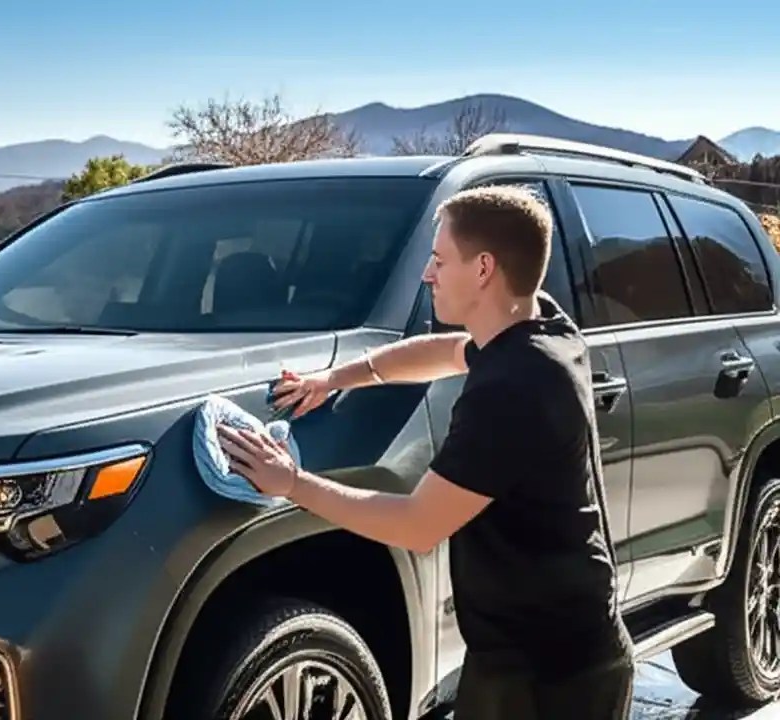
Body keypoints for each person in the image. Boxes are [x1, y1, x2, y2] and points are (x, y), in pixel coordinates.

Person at [216, 184, 635, 719]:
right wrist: (338, 377)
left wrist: (292, 483)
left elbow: (418, 524)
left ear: (483, 268)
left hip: (553, 677)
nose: (427, 274)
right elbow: (446, 352)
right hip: (534, 655)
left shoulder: (515, 386)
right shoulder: (542, 327)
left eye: (439, 260)